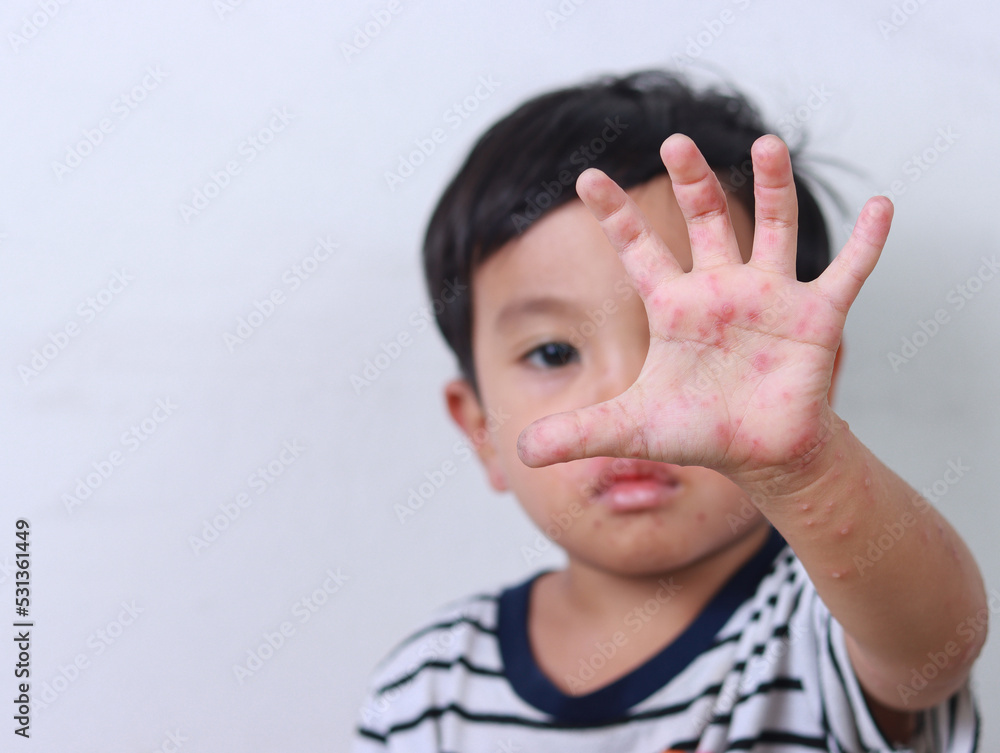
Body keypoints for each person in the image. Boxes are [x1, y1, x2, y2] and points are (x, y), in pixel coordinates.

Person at [351, 70, 987, 751]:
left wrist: (806, 467)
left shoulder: (824, 628)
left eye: (702, 347)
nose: (634, 401)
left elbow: (936, 640)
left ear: (809, 391)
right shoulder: (427, 689)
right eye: (554, 352)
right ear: (480, 428)